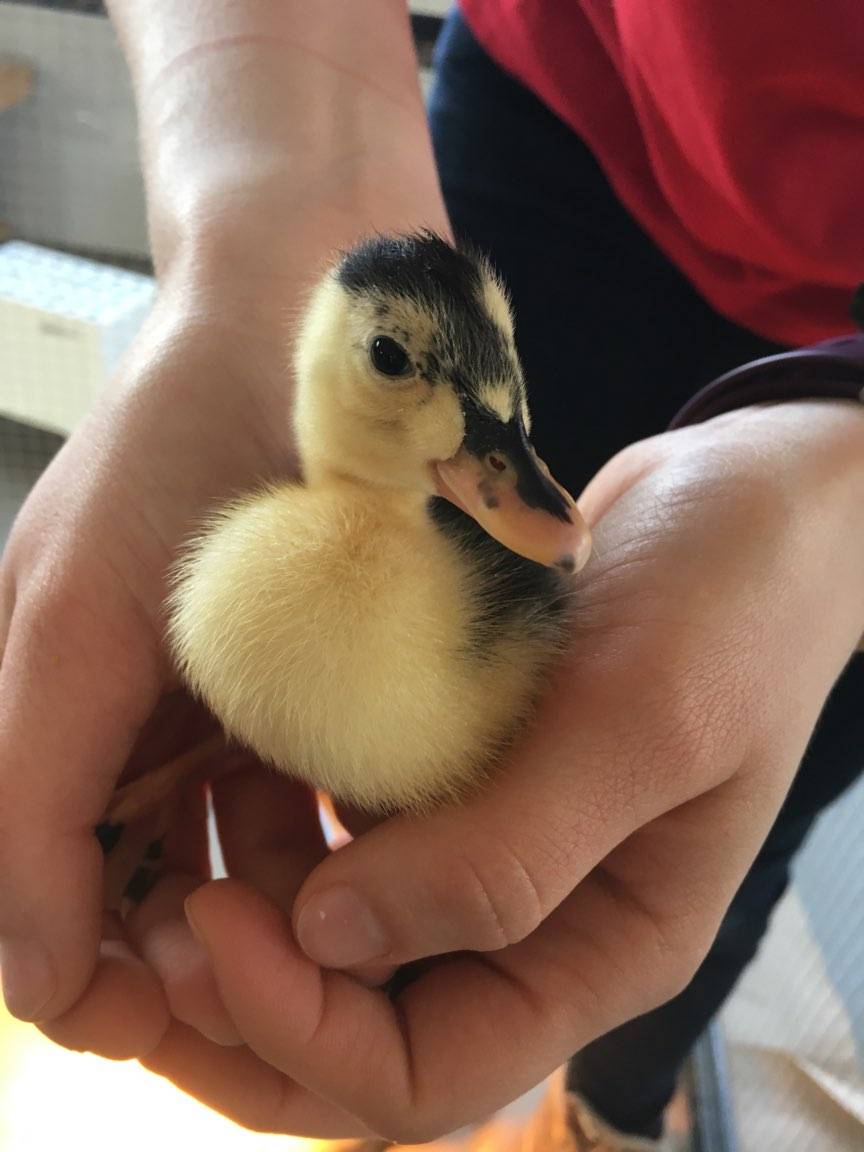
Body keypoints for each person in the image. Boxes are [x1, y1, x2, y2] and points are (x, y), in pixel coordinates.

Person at [0, 2, 862, 1149]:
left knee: (727, 791)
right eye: (397, 365)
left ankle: (608, 1111)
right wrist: (284, 180)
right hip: (564, 106)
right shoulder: (284, 537)